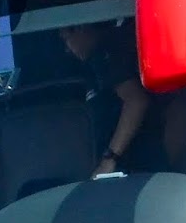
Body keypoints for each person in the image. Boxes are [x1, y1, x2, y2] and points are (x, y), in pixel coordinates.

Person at [60, 21, 152, 175]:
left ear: (81, 28)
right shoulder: (91, 65)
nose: (67, 49)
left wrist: (109, 159)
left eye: (66, 38)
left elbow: (136, 101)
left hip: (134, 165)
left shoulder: (108, 54)